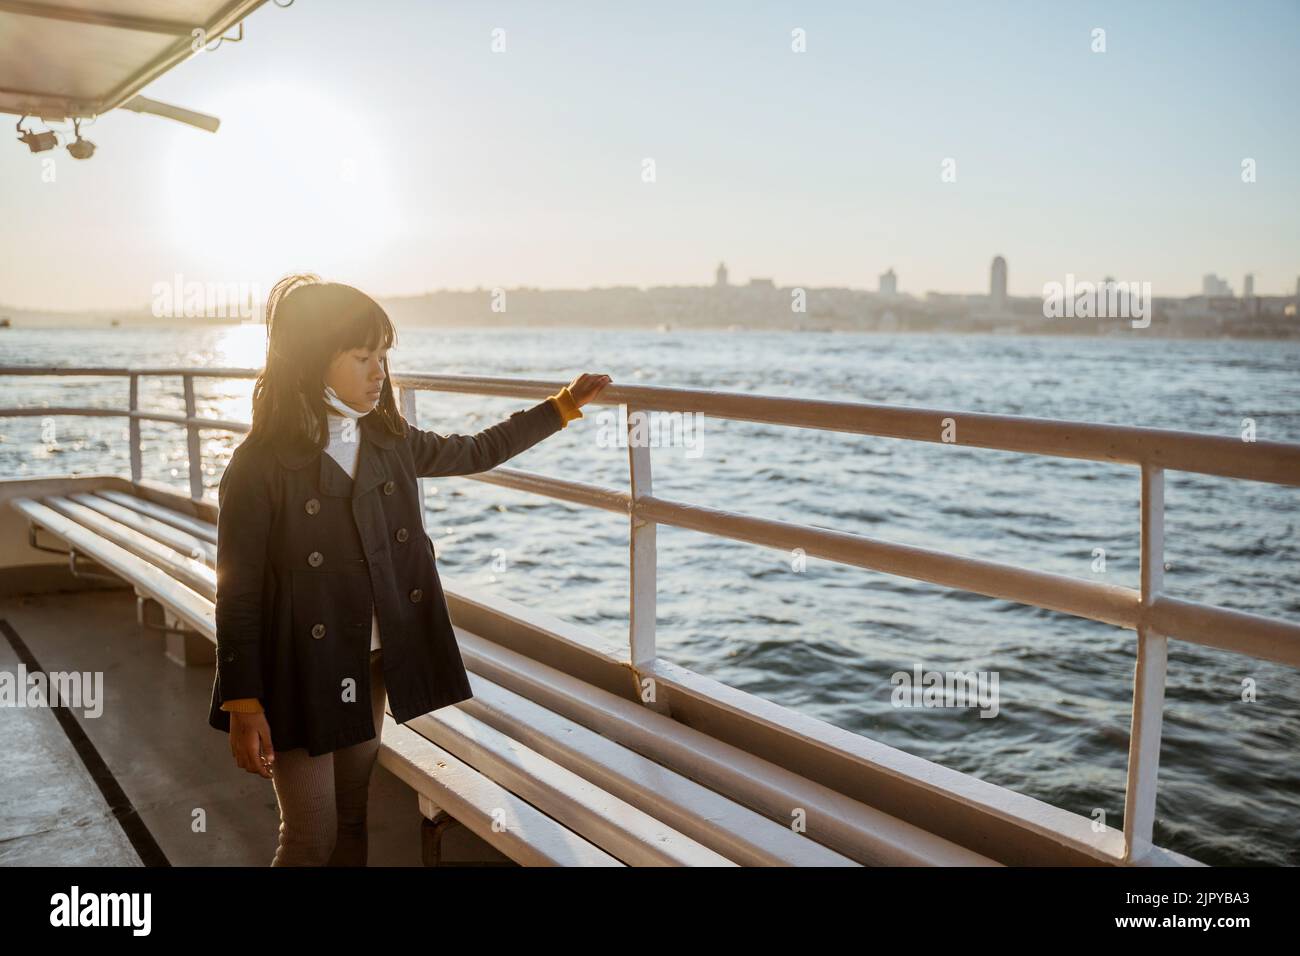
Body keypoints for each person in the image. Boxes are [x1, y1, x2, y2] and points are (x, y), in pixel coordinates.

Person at [207, 273, 611, 865]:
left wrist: (561, 408)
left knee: (350, 820)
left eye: (383, 357)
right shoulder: (258, 465)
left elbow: (475, 450)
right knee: (308, 835)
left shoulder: (388, 440)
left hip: (367, 663)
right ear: (312, 358)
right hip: (296, 672)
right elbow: (236, 593)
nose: (380, 373)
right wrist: (242, 704)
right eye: (363, 356)